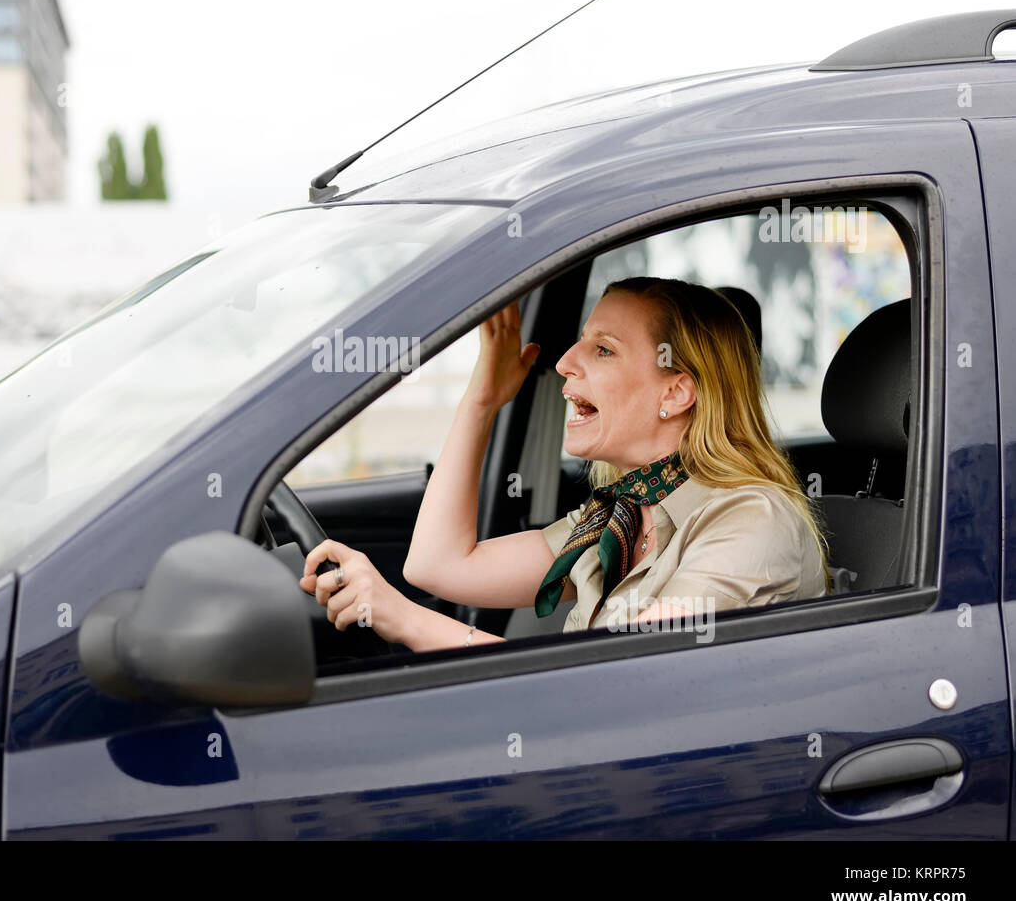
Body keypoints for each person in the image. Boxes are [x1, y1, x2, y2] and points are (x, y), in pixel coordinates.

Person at [300, 276, 829, 651]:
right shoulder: (619, 515)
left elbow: (615, 689)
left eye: (603, 350)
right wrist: (482, 402)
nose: (564, 364)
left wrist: (403, 617)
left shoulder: (750, 520)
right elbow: (436, 567)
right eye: (581, 341)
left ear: (677, 391)